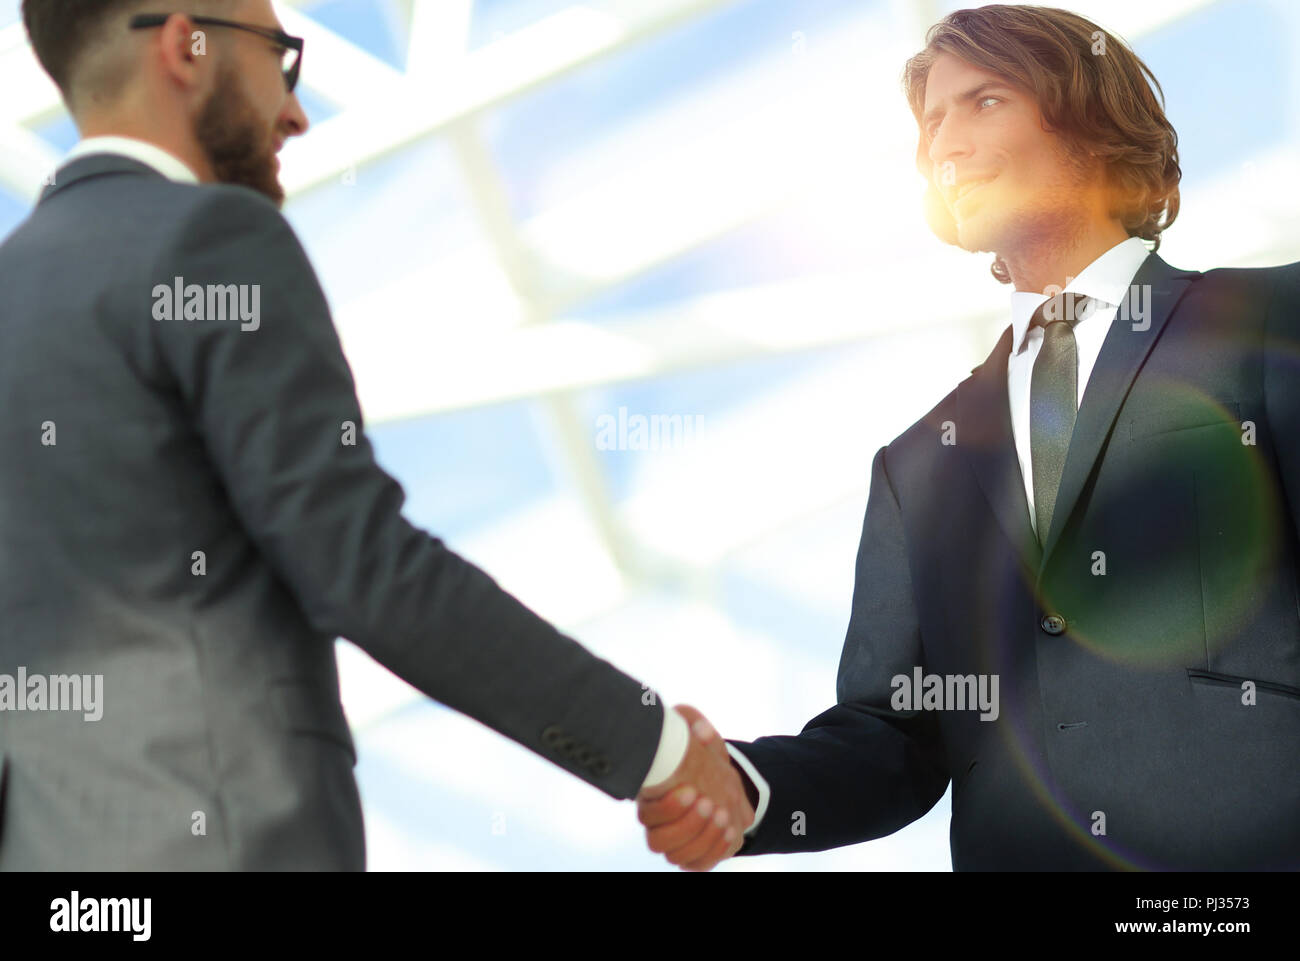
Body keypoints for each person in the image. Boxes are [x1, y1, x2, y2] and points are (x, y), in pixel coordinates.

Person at [0, 0, 752, 870]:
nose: (296, 110)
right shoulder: (210, 240)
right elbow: (362, 566)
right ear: (186, 48)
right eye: (278, 58)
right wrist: (656, 749)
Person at [639, 3, 1300, 871]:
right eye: (930, 120)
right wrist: (743, 785)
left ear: (1090, 119)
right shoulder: (919, 465)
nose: (941, 143)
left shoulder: (1267, 321)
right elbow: (891, 736)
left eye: (982, 101)